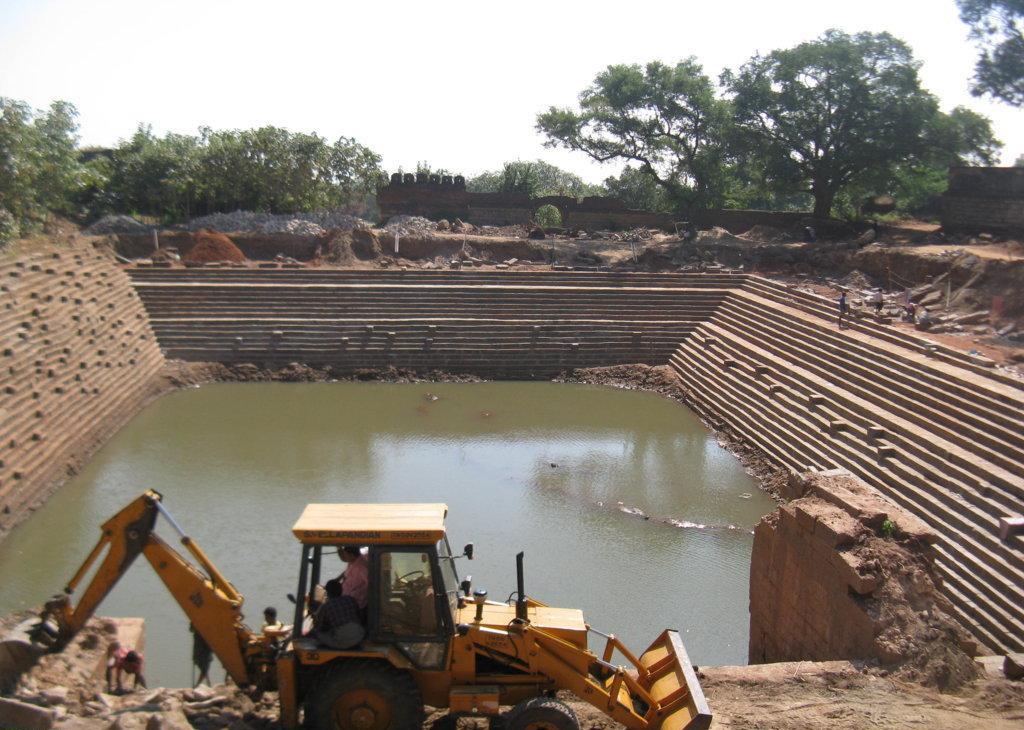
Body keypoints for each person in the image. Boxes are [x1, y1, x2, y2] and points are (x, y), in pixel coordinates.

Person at [312, 579, 365, 649]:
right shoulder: (350, 599)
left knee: (316, 634)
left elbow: (322, 627)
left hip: (343, 639)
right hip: (359, 635)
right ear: (341, 590)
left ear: (327, 593)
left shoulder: (327, 606)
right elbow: (360, 617)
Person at [337, 546, 369, 611]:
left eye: (346, 555)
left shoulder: (361, 568)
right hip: (347, 599)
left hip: (356, 604)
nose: (345, 557)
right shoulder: (354, 562)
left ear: (351, 555)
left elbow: (369, 584)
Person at [190, 624, 212, 688]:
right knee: (204, 668)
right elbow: (191, 629)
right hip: (201, 646)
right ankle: (205, 684)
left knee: (204, 668)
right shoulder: (197, 619)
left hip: (204, 647)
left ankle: (201, 684)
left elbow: (191, 629)